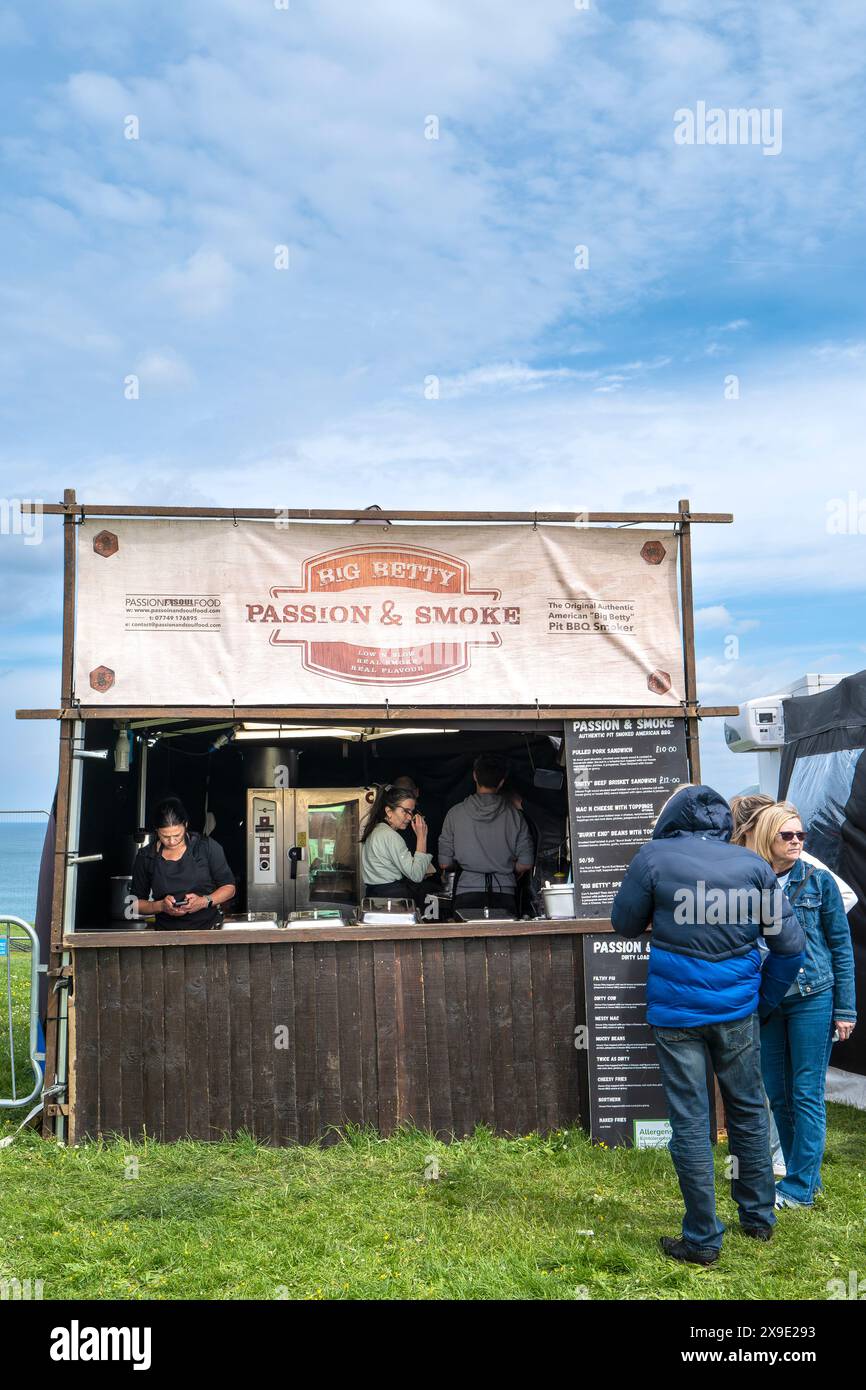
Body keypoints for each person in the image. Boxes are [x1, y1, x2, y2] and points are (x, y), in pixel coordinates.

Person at [610, 784, 805, 1265]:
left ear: (672, 818)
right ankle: (758, 1217)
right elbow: (790, 946)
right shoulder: (755, 867)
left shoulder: (652, 858)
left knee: (691, 1123)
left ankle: (701, 1237)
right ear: (723, 823)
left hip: (676, 1016)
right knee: (747, 1112)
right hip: (737, 1013)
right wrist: (762, 1000)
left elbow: (624, 925)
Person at [733, 803, 856, 1209]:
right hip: (768, 1000)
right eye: (788, 835)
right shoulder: (750, 881)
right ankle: (805, 1179)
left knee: (806, 1092)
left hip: (812, 996)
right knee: (777, 1093)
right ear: (768, 836)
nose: (797, 842)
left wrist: (846, 1010)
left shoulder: (818, 882)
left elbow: (841, 948)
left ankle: (799, 1187)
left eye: (801, 836)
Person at [438, 753, 534, 916]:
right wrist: (507, 869)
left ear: (474, 776)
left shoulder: (455, 814)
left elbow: (445, 863)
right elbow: (525, 863)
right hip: (504, 892)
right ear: (502, 782)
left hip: (466, 893)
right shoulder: (515, 816)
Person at [730, 793, 858, 913]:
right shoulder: (735, 863)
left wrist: (809, 924)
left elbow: (847, 896)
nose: (772, 826)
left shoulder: (794, 855)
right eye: (768, 822)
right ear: (747, 829)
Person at [132, 796, 236, 930]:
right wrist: (161, 906)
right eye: (165, 836)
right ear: (156, 831)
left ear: (186, 825)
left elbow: (229, 888)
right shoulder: (146, 856)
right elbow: (134, 904)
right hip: (165, 934)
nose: (172, 841)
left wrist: (204, 901)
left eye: (177, 835)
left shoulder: (206, 847)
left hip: (208, 931)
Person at [360, 783, 434, 908]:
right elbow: (416, 875)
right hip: (392, 902)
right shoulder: (390, 836)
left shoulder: (376, 831)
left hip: (375, 897)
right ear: (389, 811)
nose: (410, 817)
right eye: (405, 811)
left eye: (411, 812)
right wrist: (422, 837)